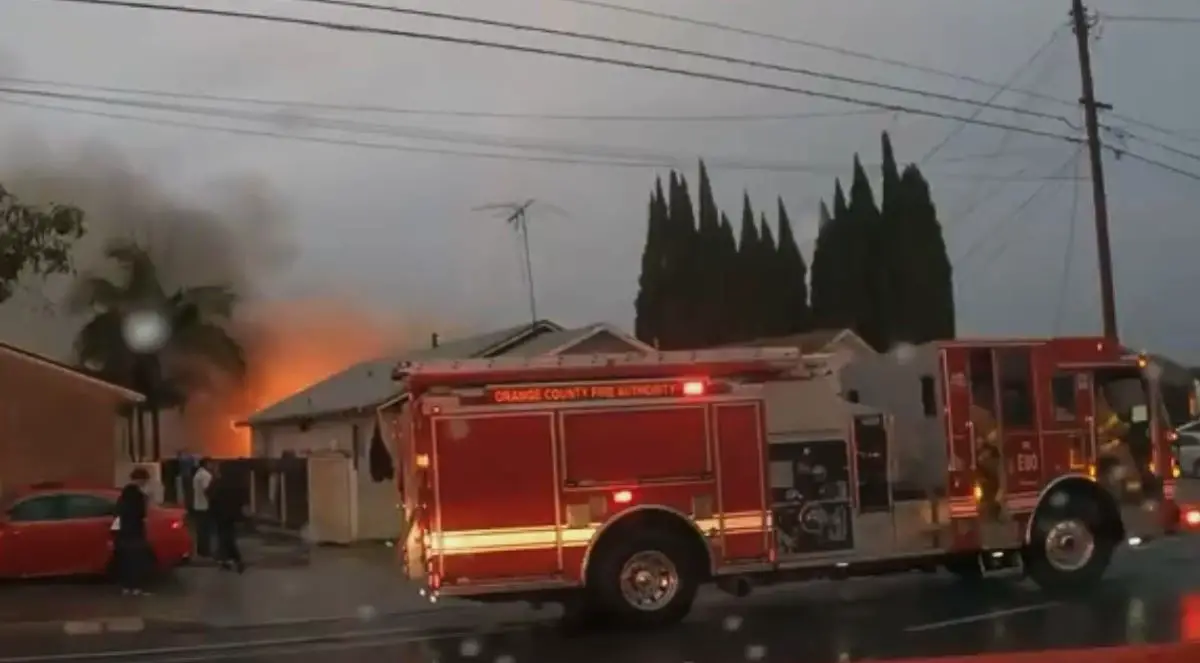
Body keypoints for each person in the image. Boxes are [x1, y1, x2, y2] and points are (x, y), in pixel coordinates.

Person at [113, 467, 153, 595]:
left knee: (126, 559)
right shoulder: (138, 495)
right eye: (145, 480)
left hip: (124, 531)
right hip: (135, 530)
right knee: (136, 559)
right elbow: (141, 513)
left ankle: (127, 586)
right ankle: (135, 587)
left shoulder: (124, 493)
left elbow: (118, 511)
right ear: (141, 479)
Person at [207, 462, 245, 573]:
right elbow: (241, 499)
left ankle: (232, 559)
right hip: (232, 514)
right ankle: (228, 560)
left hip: (220, 513)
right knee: (229, 536)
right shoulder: (235, 483)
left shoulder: (218, 483)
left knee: (224, 537)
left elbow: (210, 494)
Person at [191, 458, 214, 559]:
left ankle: (201, 550)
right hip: (205, 505)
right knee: (205, 529)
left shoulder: (197, 474)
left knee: (200, 529)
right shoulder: (205, 475)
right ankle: (206, 551)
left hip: (198, 504)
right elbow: (207, 489)